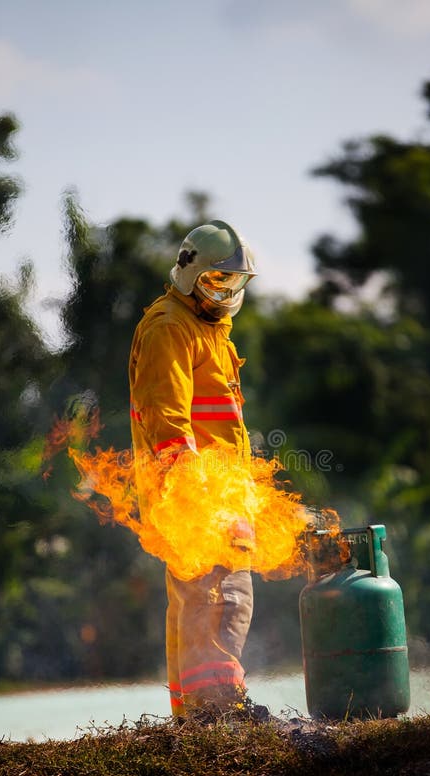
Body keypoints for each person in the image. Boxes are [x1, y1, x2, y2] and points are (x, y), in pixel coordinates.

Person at [129, 220, 258, 720]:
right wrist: (200, 501)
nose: (225, 292)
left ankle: (195, 722)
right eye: (214, 281)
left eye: (233, 283)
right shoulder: (170, 327)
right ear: (189, 276)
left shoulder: (210, 331)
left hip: (217, 496)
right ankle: (219, 714)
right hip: (200, 500)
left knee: (198, 605)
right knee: (222, 598)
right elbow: (169, 422)